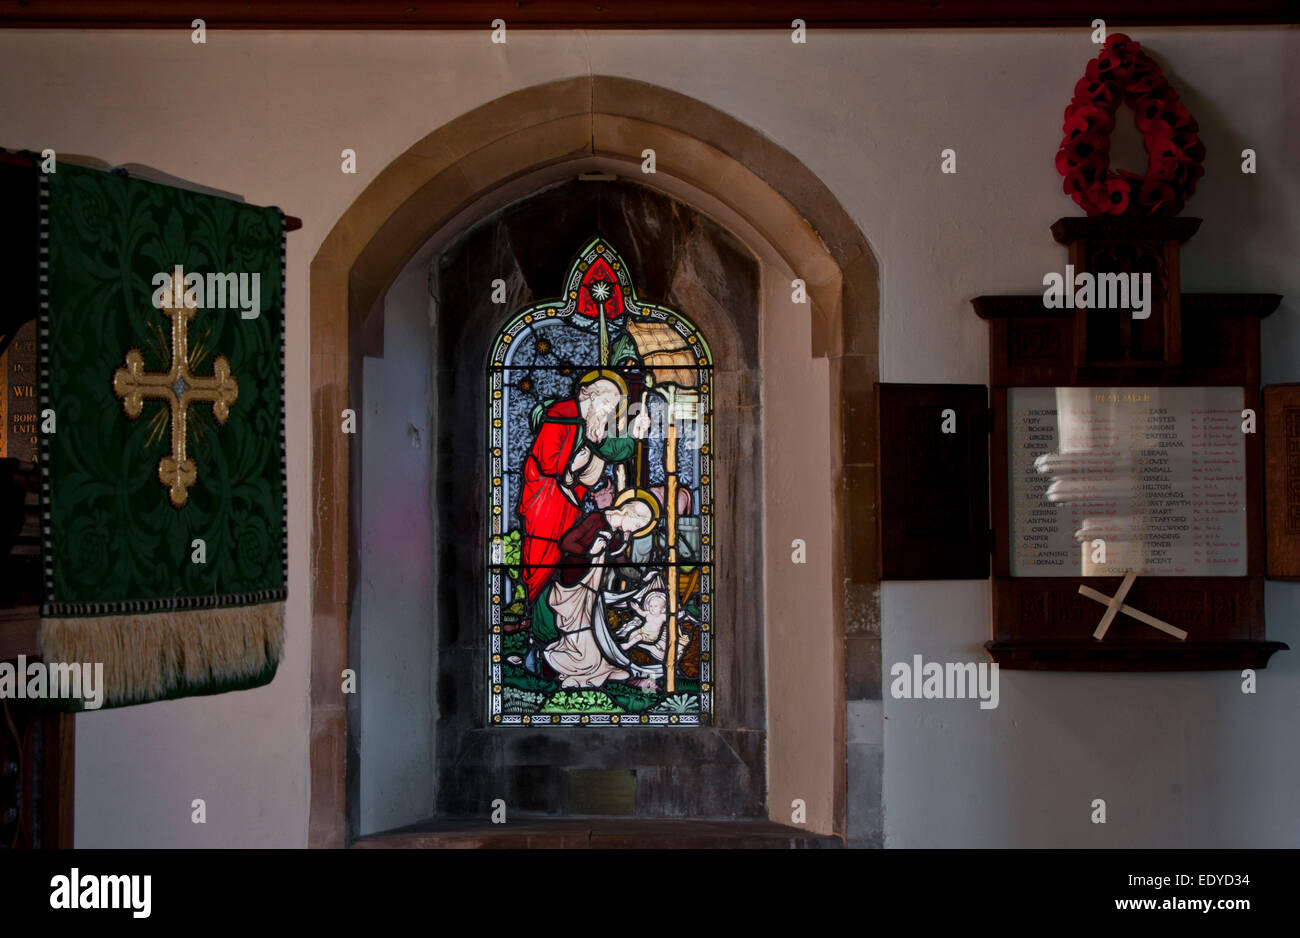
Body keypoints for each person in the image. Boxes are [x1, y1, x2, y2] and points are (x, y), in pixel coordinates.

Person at [517, 371, 650, 672]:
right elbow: (547, 461)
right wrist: (574, 463)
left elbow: (616, 449)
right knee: (543, 567)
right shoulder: (561, 415)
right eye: (605, 404)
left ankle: (561, 644)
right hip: (544, 501)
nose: (607, 412)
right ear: (587, 396)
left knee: (562, 568)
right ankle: (542, 642)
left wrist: (631, 433)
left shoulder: (593, 425)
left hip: (569, 505)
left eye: (612, 407)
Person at [543, 496, 656, 688]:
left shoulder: (618, 535)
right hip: (573, 582)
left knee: (586, 630)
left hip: (591, 589)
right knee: (576, 630)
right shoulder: (596, 519)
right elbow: (567, 543)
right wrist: (590, 551)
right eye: (636, 525)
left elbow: (620, 562)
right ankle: (557, 663)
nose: (634, 531)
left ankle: (587, 666)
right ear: (627, 513)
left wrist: (641, 578)